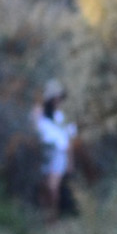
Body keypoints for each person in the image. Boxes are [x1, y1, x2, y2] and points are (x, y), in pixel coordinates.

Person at [34, 85, 79, 219]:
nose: (58, 101)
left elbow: (69, 139)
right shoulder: (40, 114)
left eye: (60, 98)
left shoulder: (63, 117)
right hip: (43, 153)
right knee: (44, 187)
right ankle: (45, 215)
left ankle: (53, 216)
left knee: (53, 187)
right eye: (55, 98)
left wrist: (70, 160)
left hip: (59, 155)